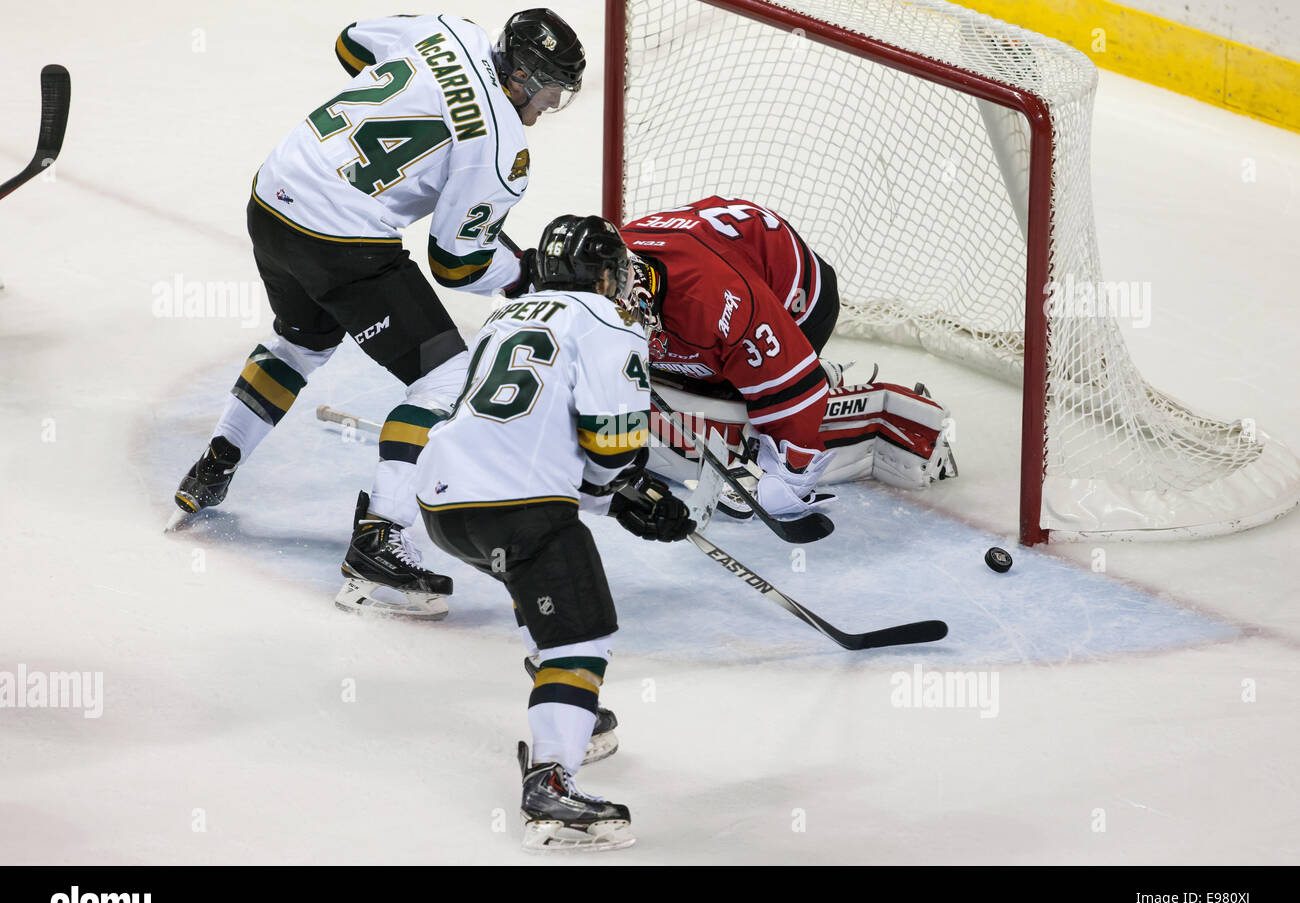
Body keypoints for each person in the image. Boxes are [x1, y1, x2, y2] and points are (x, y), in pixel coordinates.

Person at [168, 10, 586, 620]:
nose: (551, 104)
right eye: (550, 90)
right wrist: (525, 276)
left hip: (274, 193)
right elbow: (455, 262)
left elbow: (349, 41)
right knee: (445, 380)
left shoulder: (449, 29)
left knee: (301, 343)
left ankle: (213, 466)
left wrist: (424, 97)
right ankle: (378, 539)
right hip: (341, 241)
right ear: (522, 76)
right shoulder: (502, 147)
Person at [415, 214, 695, 851]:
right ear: (603, 274)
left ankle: (572, 714)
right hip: (515, 505)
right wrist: (628, 490)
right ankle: (551, 786)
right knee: (583, 632)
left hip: (444, 502)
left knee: (536, 580)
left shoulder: (508, 314)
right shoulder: (607, 322)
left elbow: (535, 433)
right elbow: (612, 443)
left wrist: (611, 493)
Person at [619, 196, 956, 520]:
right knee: (653, 389)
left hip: (796, 304)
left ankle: (885, 422)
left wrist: (791, 476)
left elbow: (793, 392)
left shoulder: (717, 301)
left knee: (735, 413)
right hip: (719, 279)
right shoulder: (602, 281)